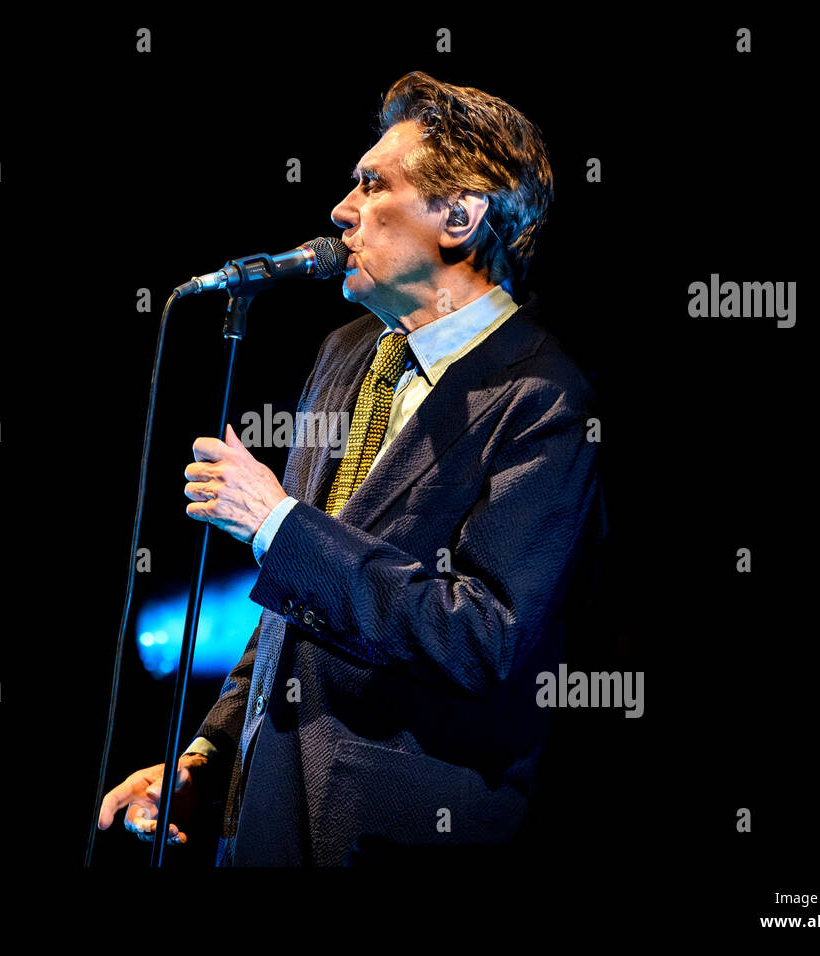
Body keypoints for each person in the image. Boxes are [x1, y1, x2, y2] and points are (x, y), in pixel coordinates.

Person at [99, 70, 607, 866]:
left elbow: (482, 635)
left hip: (396, 838)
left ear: (459, 215)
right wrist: (206, 757)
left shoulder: (543, 400)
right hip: (261, 824)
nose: (341, 210)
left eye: (373, 184)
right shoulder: (346, 355)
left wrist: (276, 523)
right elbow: (292, 608)